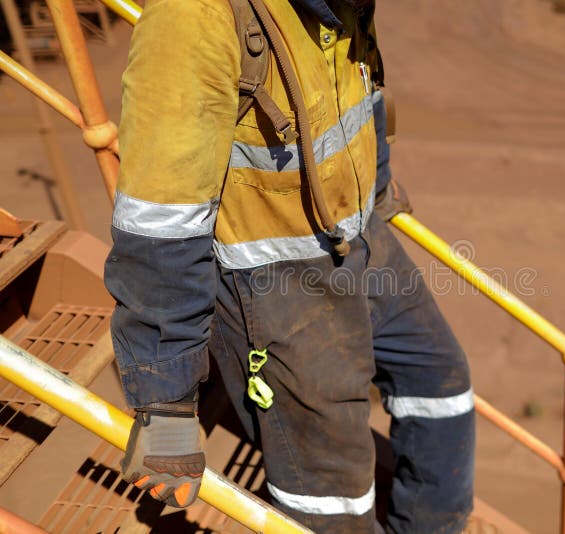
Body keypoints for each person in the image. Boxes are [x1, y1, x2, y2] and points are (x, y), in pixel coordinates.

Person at [104, 0, 475, 531]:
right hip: (274, 288)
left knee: (442, 383)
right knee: (332, 494)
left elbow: (364, 96)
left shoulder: (343, 6)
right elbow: (160, 229)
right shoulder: (195, 19)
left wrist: (378, 189)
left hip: (358, 237)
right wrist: (165, 406)